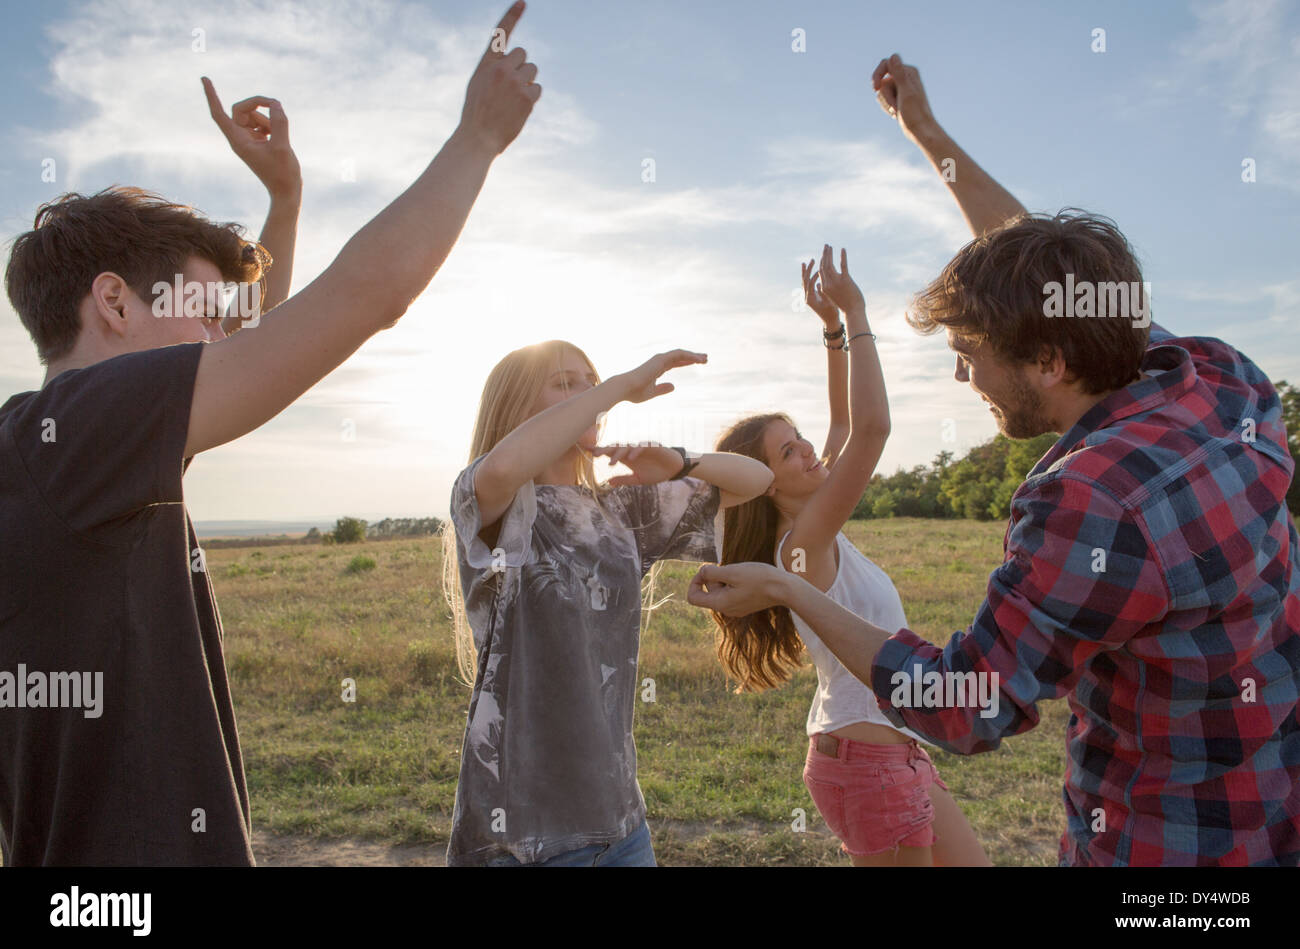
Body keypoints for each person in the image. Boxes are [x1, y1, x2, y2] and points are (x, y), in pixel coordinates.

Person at [687, 55, 1300, 866]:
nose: (960, 373)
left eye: (969, 351)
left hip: (1166, 848)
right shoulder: (1216, 377)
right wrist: (927, 136)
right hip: (1273, 806)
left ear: (1048, 360)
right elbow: (1060, 280)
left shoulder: (1088, 499)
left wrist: (780, 585)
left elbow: (962, 705)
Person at [0, 1, 540, 865]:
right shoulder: (87, 425)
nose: (224, 338)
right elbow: (365, 296)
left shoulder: (54, 454)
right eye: (204, 315)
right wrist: (477, 137)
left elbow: (258, 342)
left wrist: (284, 197)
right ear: (111, 302)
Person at [442, 340, 772, 866]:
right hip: (521, 836)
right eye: (566, 383)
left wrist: (680, 461)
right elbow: (505, 467)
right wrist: (618, 387)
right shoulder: (492, 500)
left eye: (590, 381)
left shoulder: (620, 508)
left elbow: (758, 481)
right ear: (518, 408)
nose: (590, 395)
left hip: (620, 823)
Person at [710, 245, 988, 866]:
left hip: (895, 747)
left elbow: (841, 421)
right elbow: (870, 428)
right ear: (765, 485)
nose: (809, 450)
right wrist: (859, 311)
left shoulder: (811, 526)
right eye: (788, 453)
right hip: (866, 760)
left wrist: (832, 329)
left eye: (799, 438)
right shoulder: (801, 546)